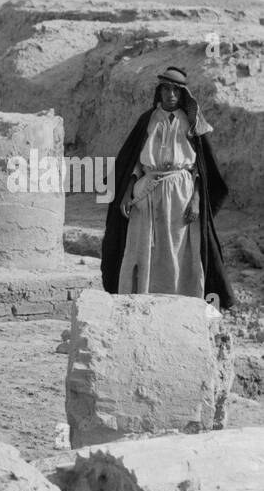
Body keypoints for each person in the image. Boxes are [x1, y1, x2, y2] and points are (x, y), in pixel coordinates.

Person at [100, 66, 234, 309]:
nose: (170, 94)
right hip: (147, 192)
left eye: (175, 90)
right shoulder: (148, 120)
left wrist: (195, 200)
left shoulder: (192, 123)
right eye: (165, 89)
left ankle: (181, 305)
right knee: (142, 249)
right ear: (159, 91)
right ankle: (141, 304)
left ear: (183, 94)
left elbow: (201, 170)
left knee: (179, 252)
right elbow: (134, 162)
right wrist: (126, 192)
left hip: (181, 196)